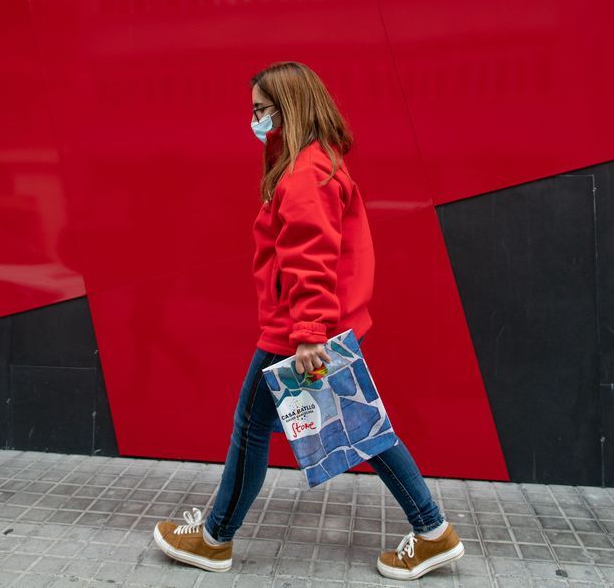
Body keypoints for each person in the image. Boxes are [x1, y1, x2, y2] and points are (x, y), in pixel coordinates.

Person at [153, 61, 464, 580]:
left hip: (301, 332)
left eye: (260, 111)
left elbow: (311, 256)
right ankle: (432, 531)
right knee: (362, 431)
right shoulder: (320, 164)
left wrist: (308, 332)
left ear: (286, 109)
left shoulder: (302, 177)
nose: (253, 121)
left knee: (252, 429)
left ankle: (214, 540)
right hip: (317, 328)